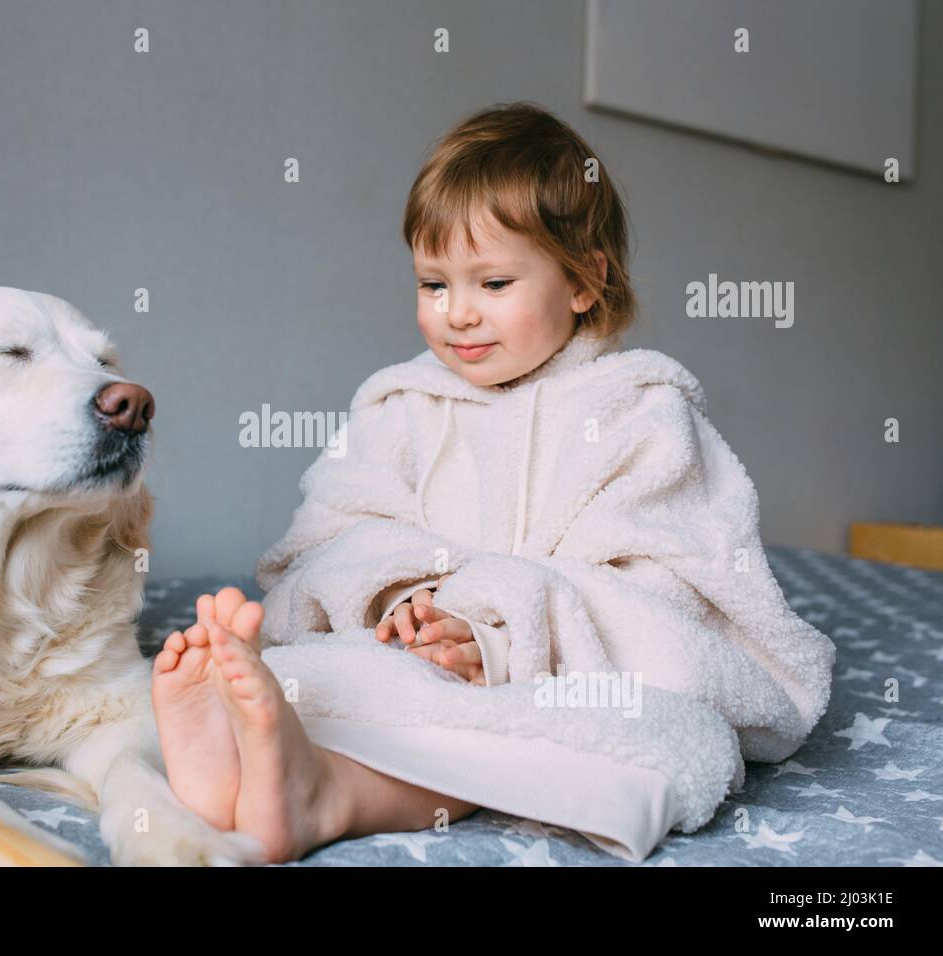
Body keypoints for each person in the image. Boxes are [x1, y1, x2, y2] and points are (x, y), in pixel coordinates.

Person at [150, 102, 835, 864]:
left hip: (570, 677)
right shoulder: (401, 406)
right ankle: (251, 761)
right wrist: (398, 600)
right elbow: (321, 547)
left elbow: (681, 595)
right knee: (323, 678)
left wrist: (498, 632)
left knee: (663, 738)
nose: (458, 315)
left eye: (495, 281)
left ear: (584, 281)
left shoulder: (642, 414)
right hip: (408, 665)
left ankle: (324, 793)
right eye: (433, 284)